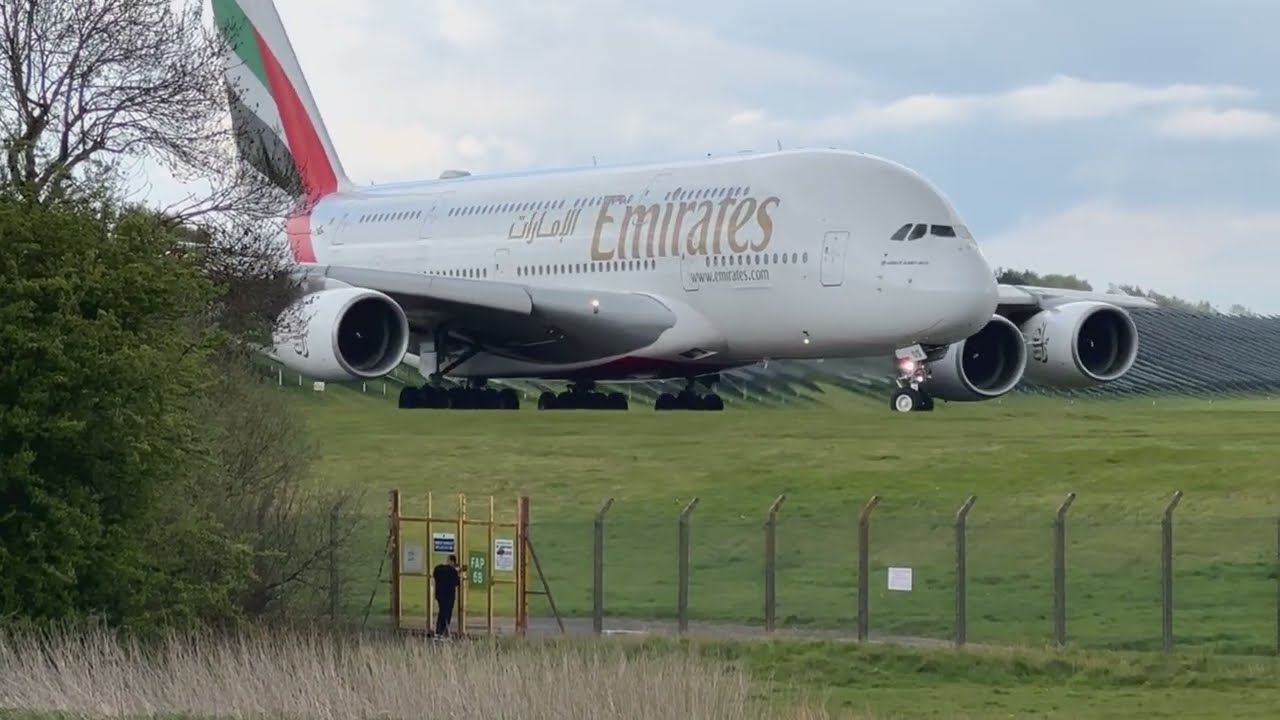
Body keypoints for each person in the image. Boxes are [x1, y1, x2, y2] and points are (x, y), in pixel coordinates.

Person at [431, 554, 461, 638]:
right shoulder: (453, 572)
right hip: (449, 596)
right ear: (452, 562)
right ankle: (444, 632)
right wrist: (457, 573)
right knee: (447, 614)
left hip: (440, 595)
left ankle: (438, 631)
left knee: (441, 612)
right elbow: (457, 583)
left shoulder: (439, 569)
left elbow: (435, 574)